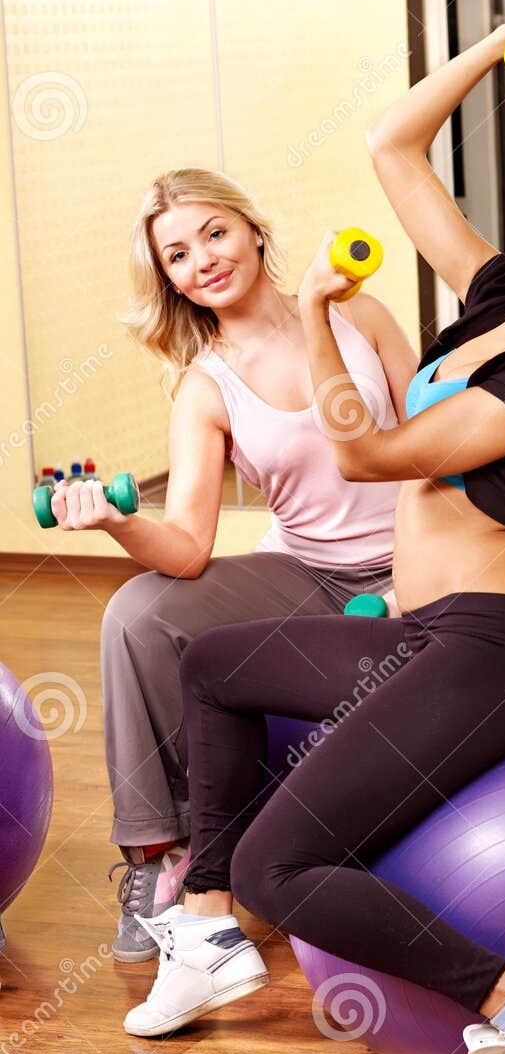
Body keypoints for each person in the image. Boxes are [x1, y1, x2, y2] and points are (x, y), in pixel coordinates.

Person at [122, 21, 505, 1054]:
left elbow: (368, 455)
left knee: (289, 864)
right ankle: (204, 932)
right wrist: (504, 43)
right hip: (427, 629)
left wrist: (325, 319)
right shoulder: (496, 303)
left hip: (495, 647)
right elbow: (394, 146)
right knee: (217, 663)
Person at [93, 168, 411, 963]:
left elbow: (441, 449)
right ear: (169, 281)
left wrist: (422, 577)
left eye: (213, 233)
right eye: (176, 255)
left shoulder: (360, 316)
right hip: (305, 572)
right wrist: (118, 521)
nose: (202, 259)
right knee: (136, 615)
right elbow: (188, 546)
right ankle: (160, 860)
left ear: (253, 231)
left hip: (415, 558)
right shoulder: (206, 386)